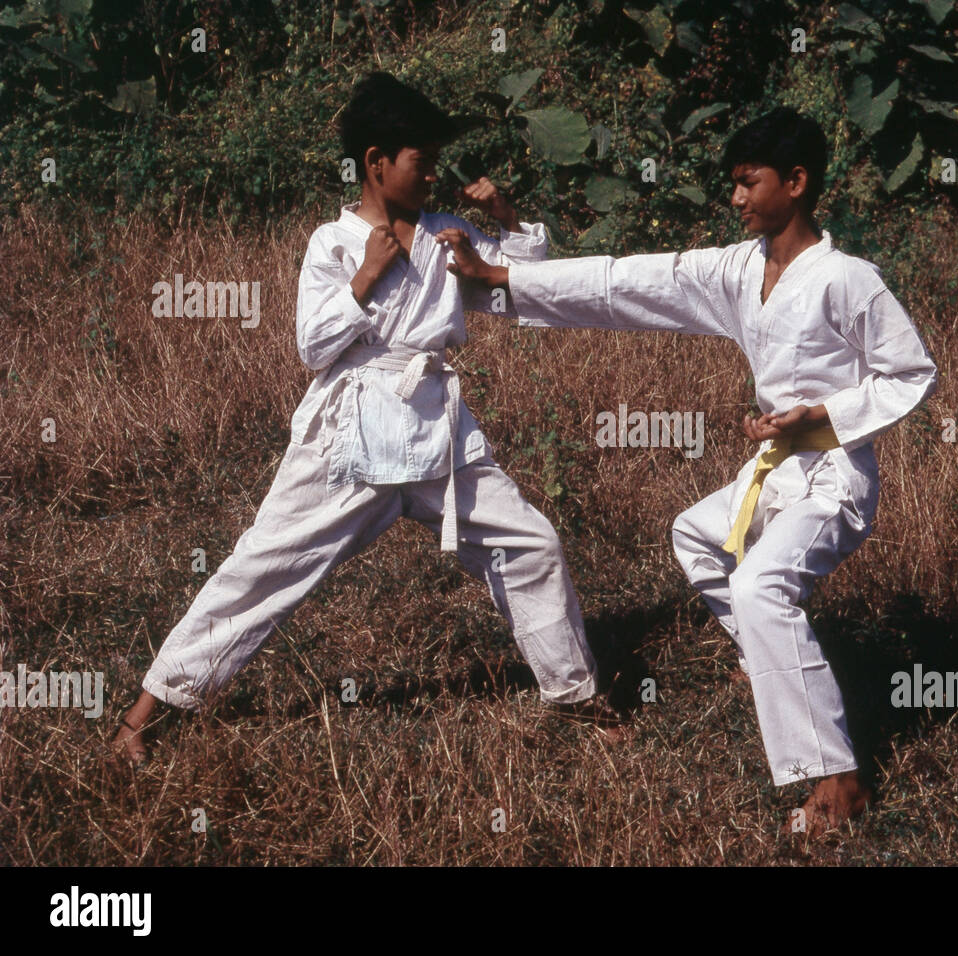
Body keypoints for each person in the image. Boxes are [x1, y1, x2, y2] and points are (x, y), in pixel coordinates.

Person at [442, 107, 938, 834]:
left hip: (832, 477)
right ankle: (773, 666)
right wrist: (501, 277)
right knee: (698, 537)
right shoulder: (741, 269)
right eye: (732, 185)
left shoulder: (847, 278)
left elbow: (909, 374)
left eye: (749, 183)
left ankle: (837, 779)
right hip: (774, 469)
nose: (736, 198)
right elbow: (626, 282)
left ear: (796, 183)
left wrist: (817, 417)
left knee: (760, 583)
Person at [112, 72, 623, 765]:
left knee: (530, 542)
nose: (435, 173)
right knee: (266, 565)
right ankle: (145, 713)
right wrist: (366, 277)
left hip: (437, 428)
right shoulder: (334, 242)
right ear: (378, 163)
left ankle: (575, 693)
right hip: (349, 432)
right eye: (422, 160)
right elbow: (312, 347)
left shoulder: (450, 233)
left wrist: (505, 222)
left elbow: (519, 290)